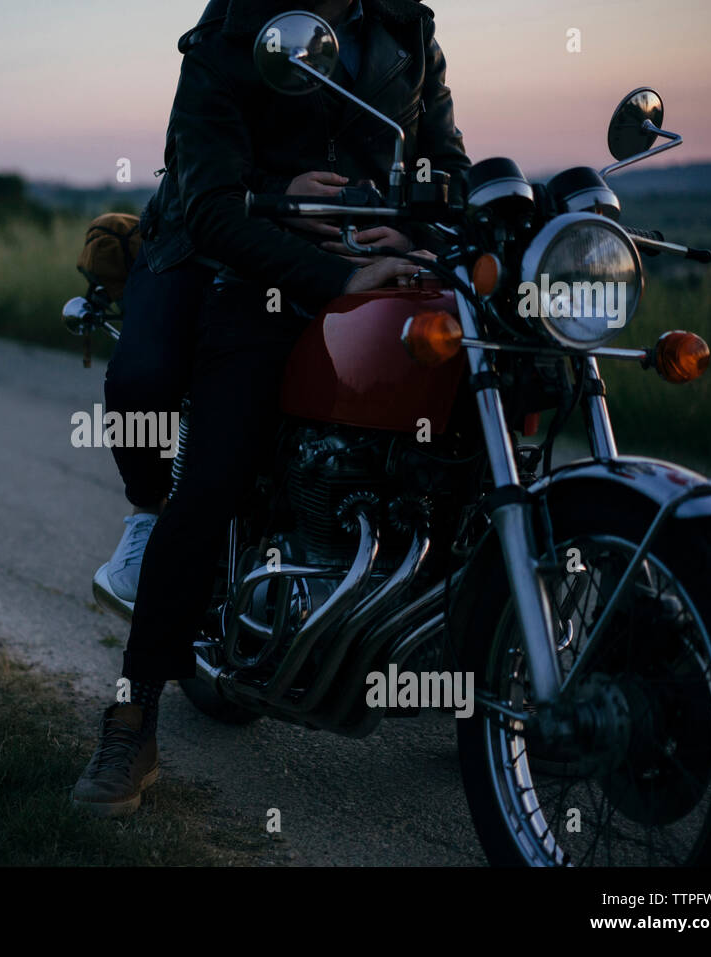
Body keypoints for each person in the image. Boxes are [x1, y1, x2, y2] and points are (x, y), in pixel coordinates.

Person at [74, 0, 470, 817]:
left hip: (375, 255)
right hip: (251, 264)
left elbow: (444, 162)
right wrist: (309, 243)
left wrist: (423, 229)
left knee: (471, 408)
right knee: (212, 474)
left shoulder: (407, 28)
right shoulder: (230, 36)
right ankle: (132, 718)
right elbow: (211, 205)